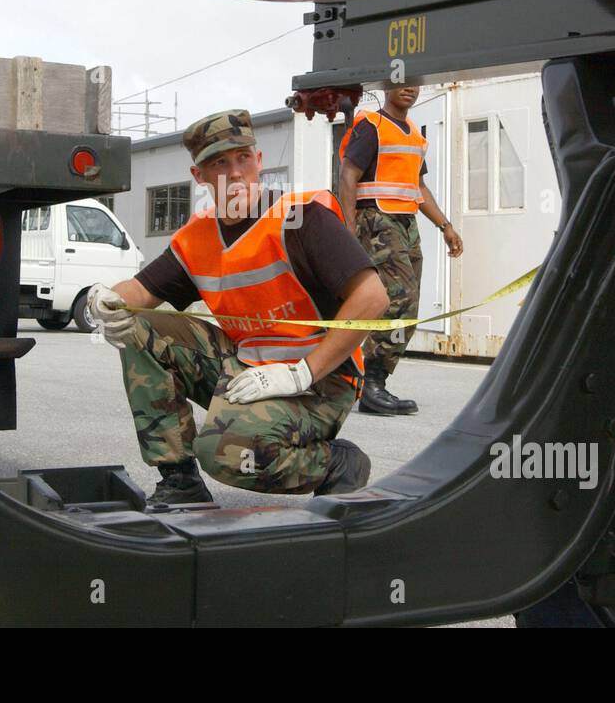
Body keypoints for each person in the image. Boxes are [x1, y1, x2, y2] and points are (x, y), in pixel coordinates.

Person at [87, 109, 389, 506]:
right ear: (200, 177)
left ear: (259, 161)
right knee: (141, 327)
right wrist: (107, 299)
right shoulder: (196, 240)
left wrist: (302, 373)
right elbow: (141, 292)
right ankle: (180, 480)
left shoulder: (301, 218)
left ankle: (334, 463)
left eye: (243, 157)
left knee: (224, 453)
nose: (235, 172)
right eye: (219, 163)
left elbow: (373, 299)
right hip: (247, 368)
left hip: (319, 381)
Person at [336, 86, 462, 415]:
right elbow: (348, 174)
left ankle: (371, 380)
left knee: (410, 304)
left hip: (406, 224)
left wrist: (445, 226)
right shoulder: (371, 126)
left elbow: (418, 187)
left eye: (414, 83)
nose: (408, 88)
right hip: (376, 220)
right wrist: (348, 228)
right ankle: (371, 383)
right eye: (401, 82)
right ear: (387, 85)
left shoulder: (414, 136)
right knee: (399, 300)